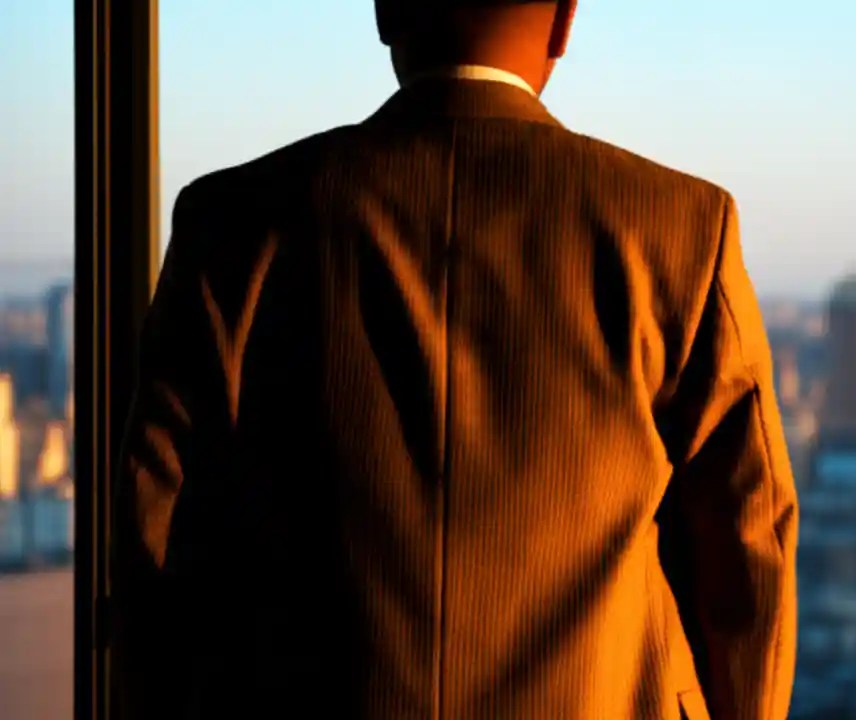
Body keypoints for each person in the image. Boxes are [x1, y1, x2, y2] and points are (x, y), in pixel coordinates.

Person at [111, 1, 798, 718]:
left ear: (386, 12)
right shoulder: (678, 227)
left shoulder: (233, 224)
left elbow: (157, 533)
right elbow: (749, 540)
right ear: (563, 23)